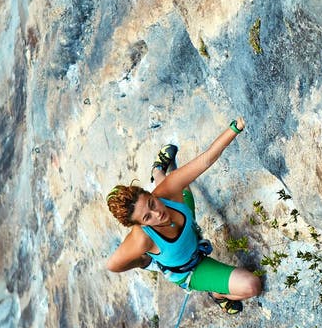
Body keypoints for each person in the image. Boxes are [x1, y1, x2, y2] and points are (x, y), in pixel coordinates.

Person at [105, 118, 262, 314]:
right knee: (252, 286)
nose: (157, 214)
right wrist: (145, 262)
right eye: (147, 217)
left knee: (178, 184)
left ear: (150, 194)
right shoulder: (142, 238)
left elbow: (206, 159)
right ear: (140, 224)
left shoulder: (166, 193)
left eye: (152, 203)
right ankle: (218, 295)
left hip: (187, 223)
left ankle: (157, 171)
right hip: (191, 270)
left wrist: (236, 126)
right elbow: (113, 265)